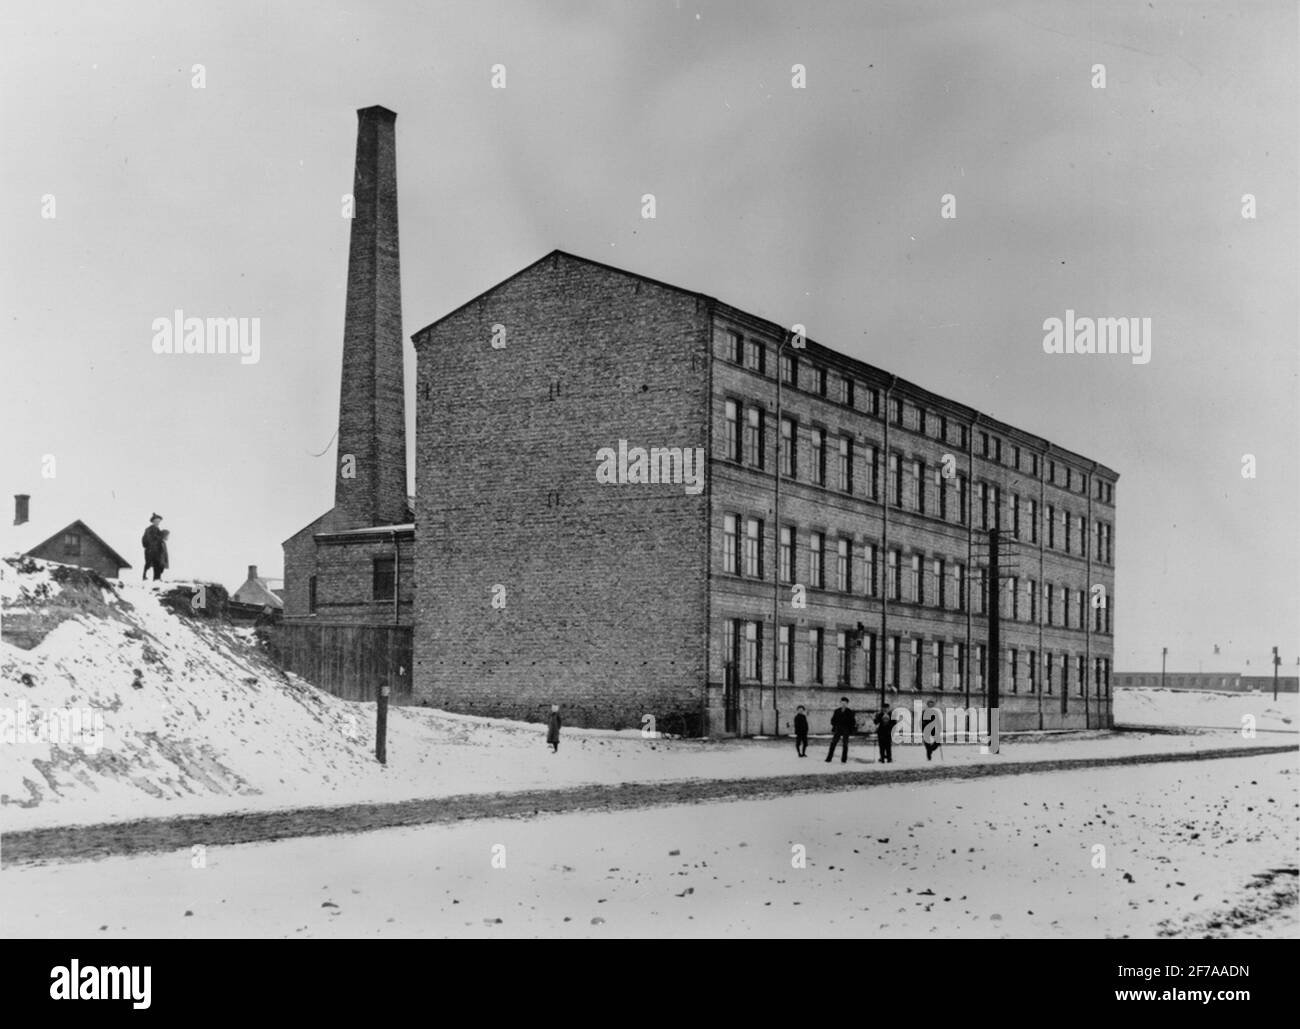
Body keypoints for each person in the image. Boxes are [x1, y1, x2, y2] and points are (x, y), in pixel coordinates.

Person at [824, 697, 856, 764]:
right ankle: (829, 758)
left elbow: (853, 722)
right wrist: (835, 725)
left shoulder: (850, 712)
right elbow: (832, 720)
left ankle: (844, 760)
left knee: (845, 744)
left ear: (847, 704)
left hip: (846, 730)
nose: (843, 704)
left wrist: (850, 728)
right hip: (838, 729)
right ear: (840, 703)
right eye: (842, 703)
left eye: (845, 703)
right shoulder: (837, 711)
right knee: (833, 743)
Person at [141, 514, 167, 581]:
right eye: (156, 521)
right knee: (149, 564)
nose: (158, 522)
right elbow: (147, 540)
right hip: (151, 550)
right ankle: (145, 578)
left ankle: (157, 579)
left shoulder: (158, 530)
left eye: (159, 521)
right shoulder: (149, 529)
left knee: (158, 565)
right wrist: (160, 538)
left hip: (157, 551)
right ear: (153, 521)